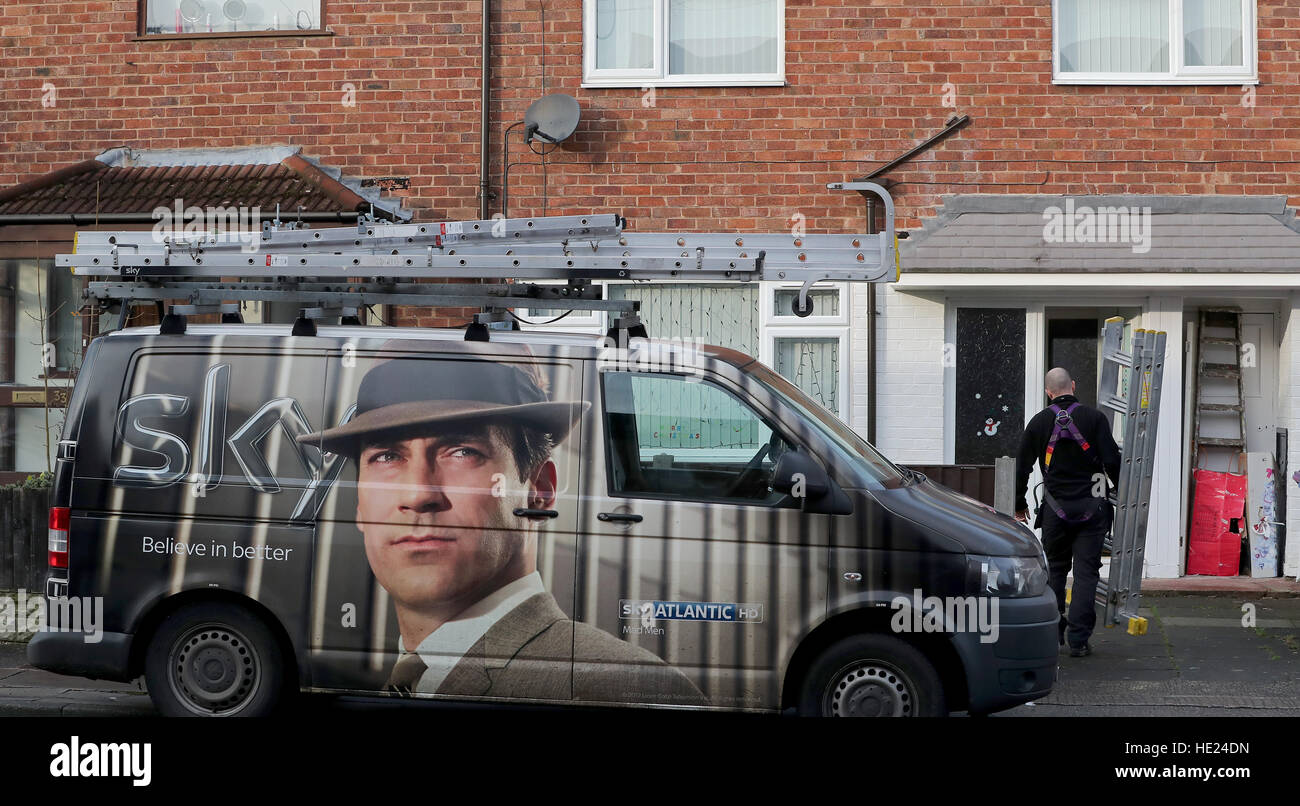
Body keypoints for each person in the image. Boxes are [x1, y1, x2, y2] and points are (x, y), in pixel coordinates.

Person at [299, 351, 707, 705]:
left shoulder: (621, 685)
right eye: (387, 457)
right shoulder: (403, 676)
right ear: (359, 502)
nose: (418, 494)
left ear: (540, 491)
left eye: (462, 452)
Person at [1014, 367, 1120, 658]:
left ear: (1049, 392)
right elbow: (1112, 459)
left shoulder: (1038, 422)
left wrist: (1018, 504)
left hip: (1055, 512)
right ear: (1072, 385)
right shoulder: (1095, 418)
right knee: (1086, 574)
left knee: (1056, 572)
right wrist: (1122, 494)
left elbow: (1022, 466)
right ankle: (1079, 640)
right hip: (1092, 509)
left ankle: (1053, 634)